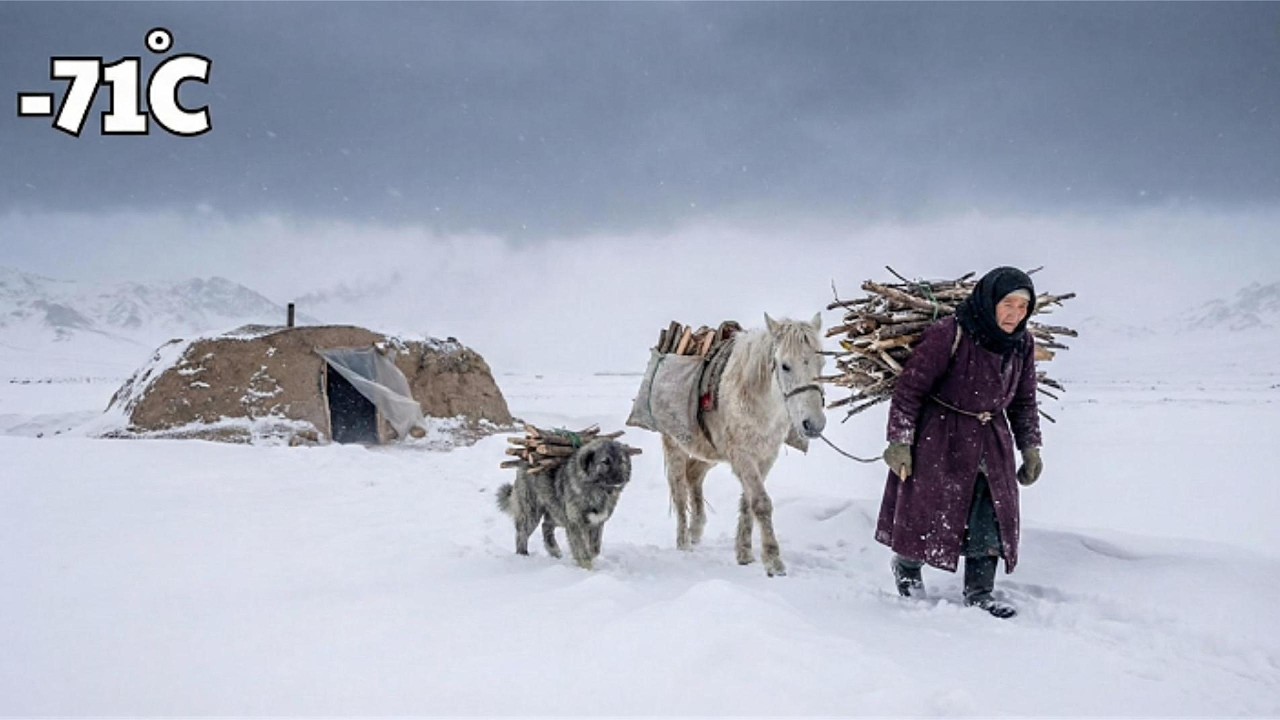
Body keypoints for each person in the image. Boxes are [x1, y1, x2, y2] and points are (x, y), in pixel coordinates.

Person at [875, 266, 1044, 619]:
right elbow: (909, 391)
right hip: (940, 437)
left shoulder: (1022, 344)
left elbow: (1024, 400)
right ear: (989, 301)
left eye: (1022, 306)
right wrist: (900, 441)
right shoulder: (948, 334)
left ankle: (980, 593)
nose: (1015, 314)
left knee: (991, 515)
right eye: (1007, 304)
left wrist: (1030, 448)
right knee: (926, 512)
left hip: (992, 439)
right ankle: (907, 568)